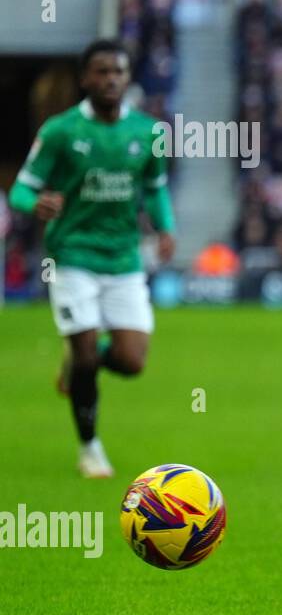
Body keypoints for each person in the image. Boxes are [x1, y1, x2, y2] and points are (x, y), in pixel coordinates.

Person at [8, 39, 175, 478]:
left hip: (123, 257)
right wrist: (34, 203)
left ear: (128, 78)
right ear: (85, 79)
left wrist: (166, 228)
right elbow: (22, 187)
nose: (110, 80)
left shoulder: (147, 133)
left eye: (118, 72)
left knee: (132, 361)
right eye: (101, 72)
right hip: (73, 254)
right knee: (85, 355)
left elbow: (155, 189)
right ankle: (90, 447)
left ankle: (79, 360)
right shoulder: (61, 131)